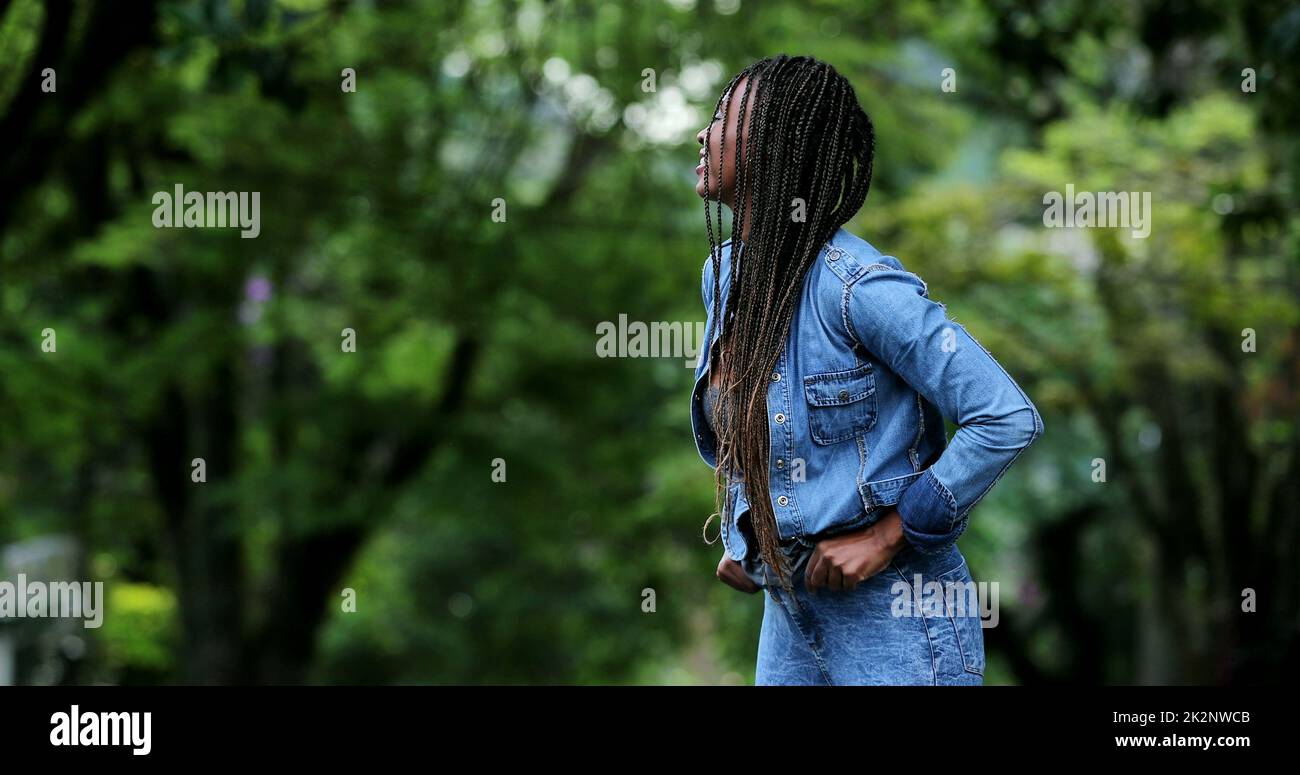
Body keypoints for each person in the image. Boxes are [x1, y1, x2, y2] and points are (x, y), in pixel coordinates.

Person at [689, 54, 1043, 685]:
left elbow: (1005, 415)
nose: (702, 132)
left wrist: (887, 536)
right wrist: (751, 537)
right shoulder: (727, 279)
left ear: (771, 142)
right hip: (790, 613)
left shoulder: (857, 289)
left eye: (722, 116)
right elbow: (758, 424)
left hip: (898, 616)